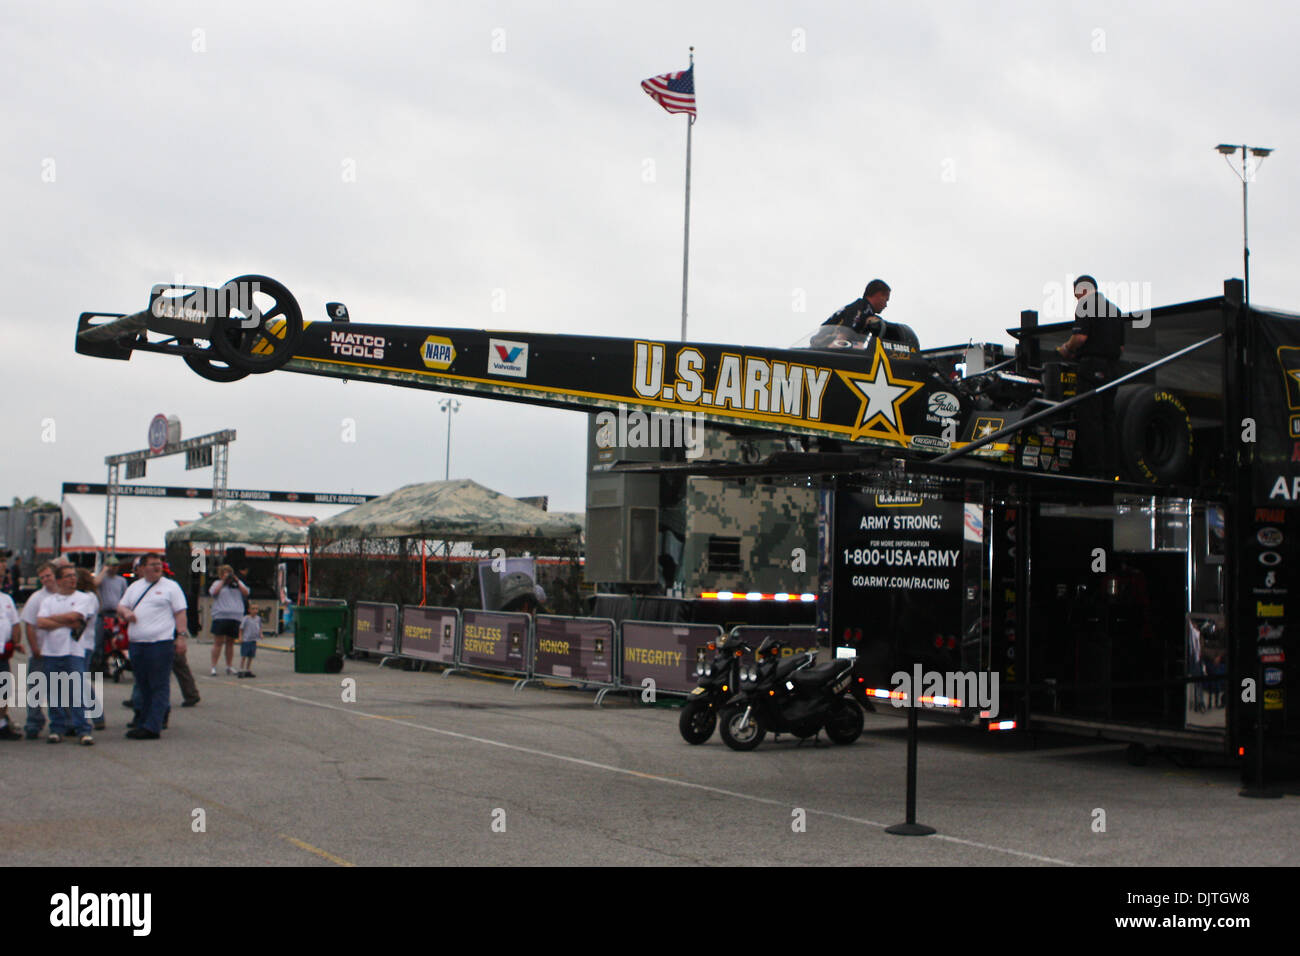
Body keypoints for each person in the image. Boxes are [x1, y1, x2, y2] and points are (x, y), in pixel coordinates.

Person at [1056, 274, 1124, 478]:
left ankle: (1093, 471)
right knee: (1108, 418)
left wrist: (1066, 349)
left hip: (1091, 367)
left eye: (1077, 294)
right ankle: (1111, 469)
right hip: (1112, 370)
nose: (1076, 299)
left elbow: (1080, 337)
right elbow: (1120, 347)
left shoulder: (1086, 305)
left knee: (1089, 418)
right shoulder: (1115, 310)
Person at [117, 553, 187, 740]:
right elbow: (121, 606)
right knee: (142, 683)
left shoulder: (171, 587)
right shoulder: (135, 587)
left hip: (160, 643)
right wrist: (126, 613)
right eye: (153, 564)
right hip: (137, 644)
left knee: (159, 684)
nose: (157, 567)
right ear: (143, 567)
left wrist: (181, 637)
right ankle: (143, 721)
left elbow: (180, 613)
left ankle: (153, 725)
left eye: (159, 564)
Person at [34, 566, 97, 745]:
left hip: (74, 651)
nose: (72, 579)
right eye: (68, 576)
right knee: (55, 692)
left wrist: (53, 618)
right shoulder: (48, 600)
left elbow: (77, 619)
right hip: (51, 651)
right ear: (59, 580)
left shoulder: (84, 598)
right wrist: (64, 620)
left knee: (76, 690)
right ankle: (57, 728)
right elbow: (40, 622)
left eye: (73, 576)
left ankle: (83, 729)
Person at [18, 562, 59, 739]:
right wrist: (34, 648)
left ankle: (61, 723)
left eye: (48, 576)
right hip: (41, 652)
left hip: (59, 651)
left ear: (55, 575)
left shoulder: (64, 596)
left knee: (59, 690)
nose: (45, 580)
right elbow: (29, 625)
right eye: (42, 578)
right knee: (35, 690)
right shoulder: (36, 598)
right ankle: (33, 723)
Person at [209, 564, 249, 676]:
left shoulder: (237, 584)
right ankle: (213, 667)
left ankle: (229, 666)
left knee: (230, 643)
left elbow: (246, 592)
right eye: (225, 572)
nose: (228, 574)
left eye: (229, 572)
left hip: (235, 616)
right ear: (221, 574)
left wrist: (237, 580)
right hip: (220, 616)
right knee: (218, 642)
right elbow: (213, 592)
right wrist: (223, 581)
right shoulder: (217, 584)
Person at [822, 279, 891, 337]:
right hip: (824, 346)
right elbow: (844, 336)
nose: (886, 305)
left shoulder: (866, 311)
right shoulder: (860, 309)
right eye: (886, 300)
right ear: (878, 295)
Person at [0, 585, 20, 739]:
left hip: (2, 653)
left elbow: (15, 623)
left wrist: (16, 641)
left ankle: (1, 724)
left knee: (4, 690)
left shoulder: (7, 599)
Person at [237, 602, 261, 677]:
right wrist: (240, 637)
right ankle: (241, 670)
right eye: (253, 609)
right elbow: (241, 628)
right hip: (246, 640)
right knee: (244, 655)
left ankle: (248, 670)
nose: (255, 610)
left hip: (253, 639)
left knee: (251, 656)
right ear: (249, 610)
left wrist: (260, 633)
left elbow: (260, 627)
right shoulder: (246, 618)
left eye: (256, 609)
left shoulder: (258, 619)